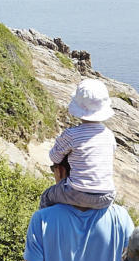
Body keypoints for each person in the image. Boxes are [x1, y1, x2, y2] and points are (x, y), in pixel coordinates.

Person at [44, 78, 117, 210]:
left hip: (77, 193)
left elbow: (54, 157)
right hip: (107, 196)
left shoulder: (71, 134)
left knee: (47, 196)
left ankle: (48, 225)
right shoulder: (109, 135)